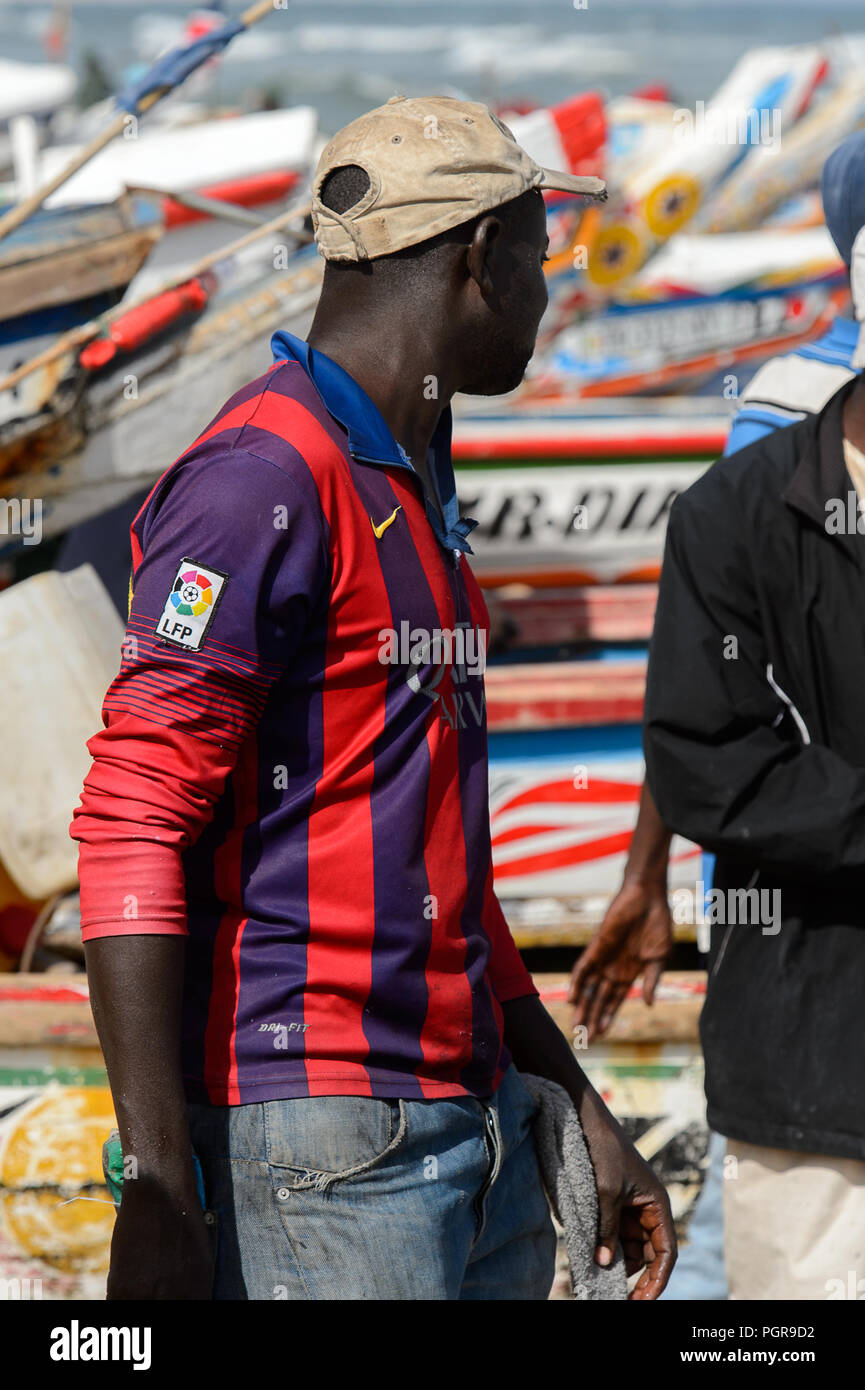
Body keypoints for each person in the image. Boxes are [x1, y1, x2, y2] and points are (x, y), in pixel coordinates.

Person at [71, 95, 676, 1302]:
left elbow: (444, 870)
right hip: (321, 1148)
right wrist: (156, 1183)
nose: (547, 299)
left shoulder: (409, 483)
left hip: (467, 1118)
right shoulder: (262, 480)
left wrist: (575, 1099)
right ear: (477, 260)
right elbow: (132, 823)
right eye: (538, 260)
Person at [569, 128, 865, 1301]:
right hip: (815, 1047)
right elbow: (706, 711)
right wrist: (647, 872)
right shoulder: (768, 465)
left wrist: (646, 874)